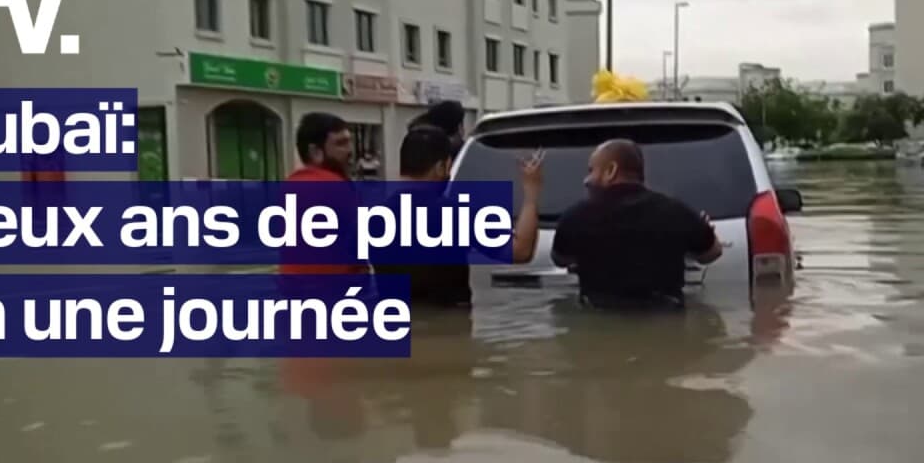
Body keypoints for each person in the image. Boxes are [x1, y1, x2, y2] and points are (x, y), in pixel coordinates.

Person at [372, 126, 544, 308]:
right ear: (440, 167)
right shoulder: (454, 215)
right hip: (448, 327)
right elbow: (521, 251)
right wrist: (531, 193)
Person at [550, 138, 722, 309]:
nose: (586, 180)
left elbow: (560, 260)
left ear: (611, 170)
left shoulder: (576, 217)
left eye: (591, 170)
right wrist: (694, 236)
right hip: (665, 321)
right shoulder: (676, 211)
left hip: (600, 321)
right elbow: (712, 253)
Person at [280, 112, 368, 276]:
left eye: (350, 142)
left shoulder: (291, 183)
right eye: (340, 144)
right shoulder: (335, 186)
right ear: (315, 152)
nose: (350, 151)